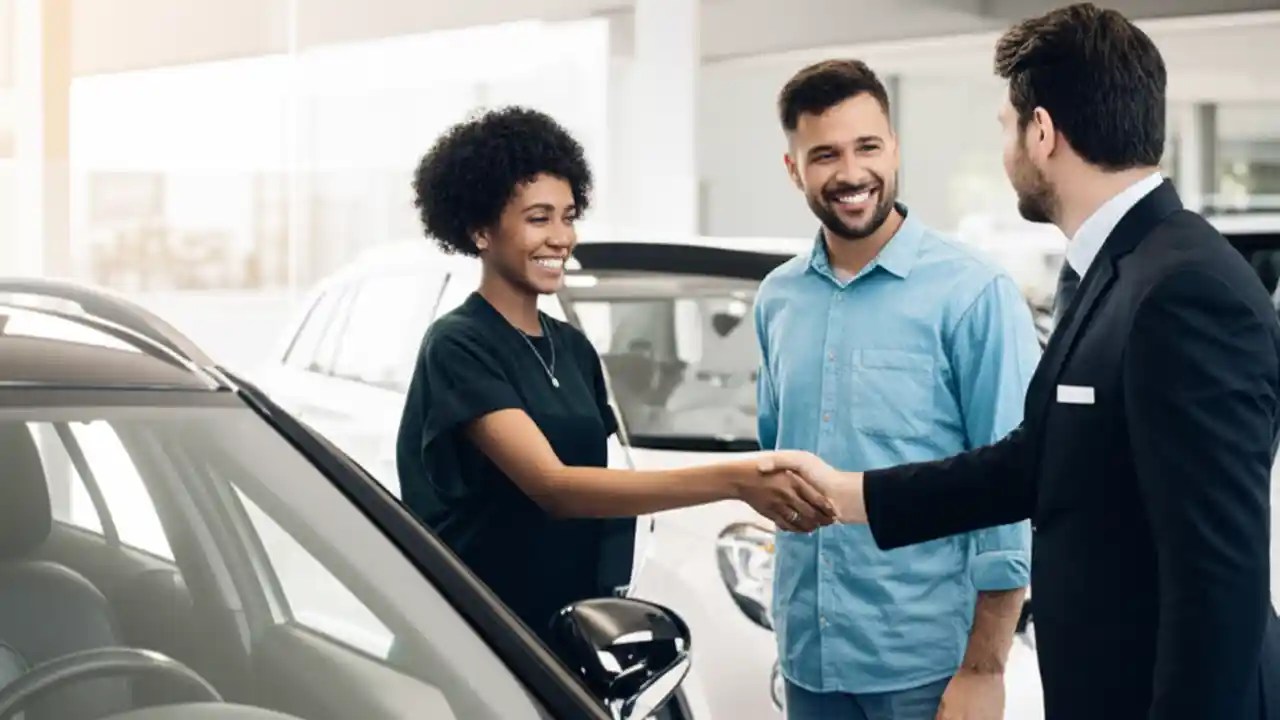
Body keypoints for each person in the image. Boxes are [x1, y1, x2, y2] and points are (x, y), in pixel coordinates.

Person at [760, 5, 1280, 720]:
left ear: (1041, 132)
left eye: (1005, 126)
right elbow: (1037, 464)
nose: (1004, 146)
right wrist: (851, 494)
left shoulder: (1181, 291)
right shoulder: (1117, 273)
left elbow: (1219, 577)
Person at [394, 106, 836, 649]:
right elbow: (554, 487)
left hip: (565, 634)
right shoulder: (459, 344)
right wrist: (734, 481)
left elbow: (605, 492)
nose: (561, 237)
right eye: (538, 218)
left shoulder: (572, 348)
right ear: (481, 229)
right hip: (480, 634)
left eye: (568, 215)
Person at [757, 59, 1039, 720]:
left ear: (896, 150)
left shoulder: (973, 294)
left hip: (928, 670)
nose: (851, 173)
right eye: (824, 154)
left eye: (868, 147)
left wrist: (984, 667)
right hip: (808, 662)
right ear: (794, 168)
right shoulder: (778, 299)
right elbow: (778, 471)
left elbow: (1010, 497)